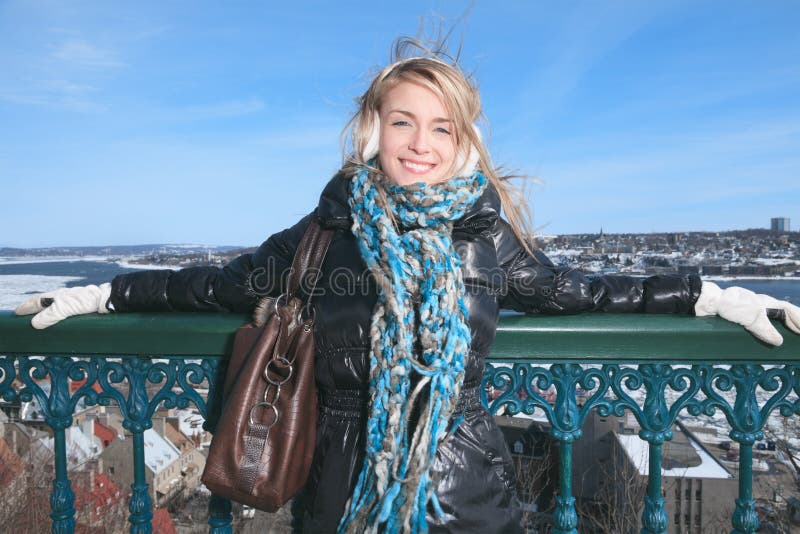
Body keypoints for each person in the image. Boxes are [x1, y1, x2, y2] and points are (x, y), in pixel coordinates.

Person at [15, 39, 800, 533]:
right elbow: (214, 286)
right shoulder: (321, 235)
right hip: (336, 485)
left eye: (441, 128)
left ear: (462, 142)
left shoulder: (484, 237)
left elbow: (588, 292)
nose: (419, 144)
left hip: (463, 486)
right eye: (403, 122)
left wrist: (714, 296)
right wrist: (98, 295)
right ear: (373, 129)